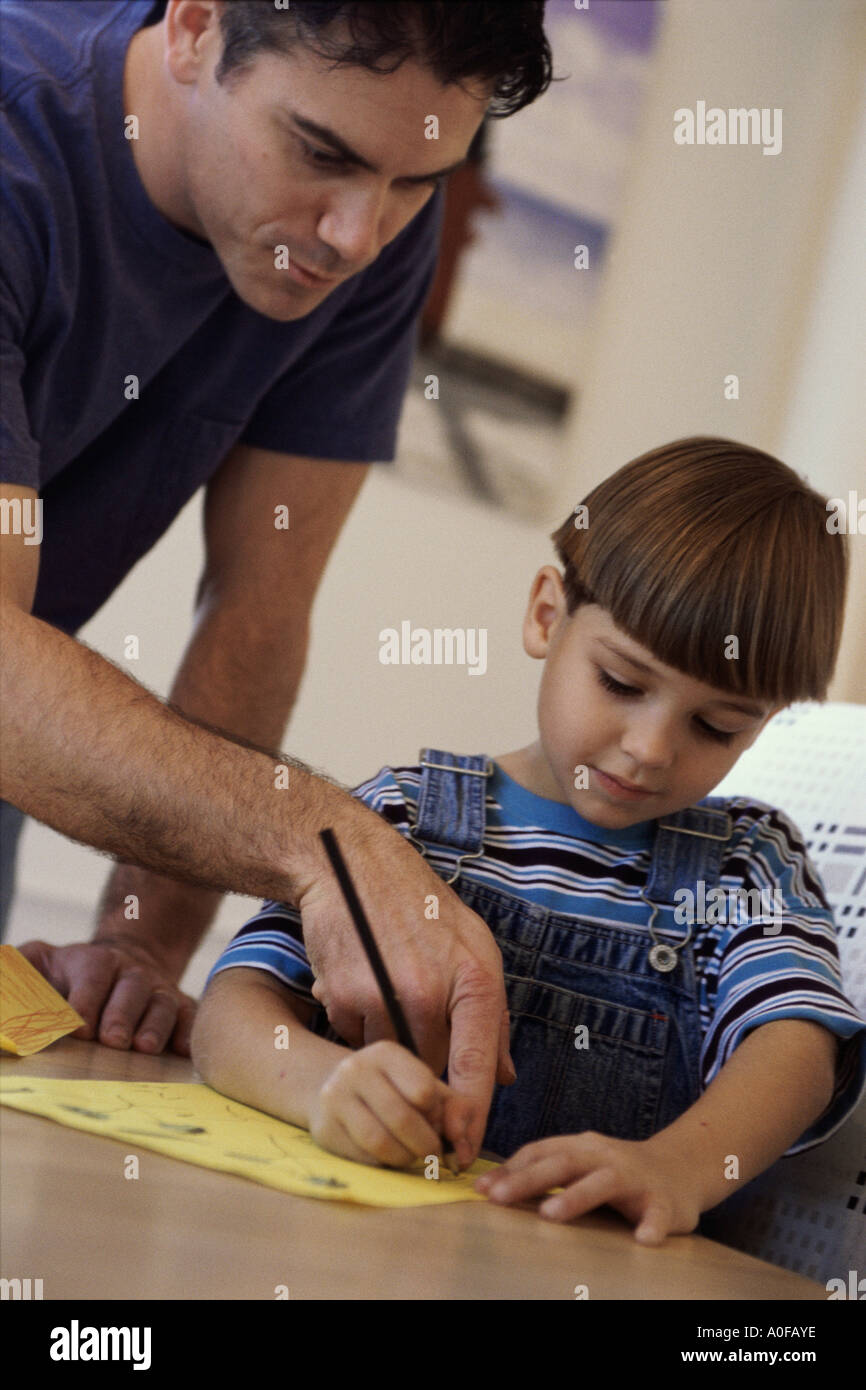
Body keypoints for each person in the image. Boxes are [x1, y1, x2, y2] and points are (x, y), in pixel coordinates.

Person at [0, 0, 552, 1158]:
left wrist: (142, 946)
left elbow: (255, 612)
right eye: (321, 153)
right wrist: (317, 839)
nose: (359, 234)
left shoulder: (361, 237)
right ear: (197, 27)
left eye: (417, 180)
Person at [191, 436, 866, 1243]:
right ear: (547, 615)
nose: (651, 749)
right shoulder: (399, 820)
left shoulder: (748, 864)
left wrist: (679, 1168)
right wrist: (321, 1084)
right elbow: (231, 1013)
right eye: (621, 682)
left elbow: (794, 1052)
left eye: (717, 725)